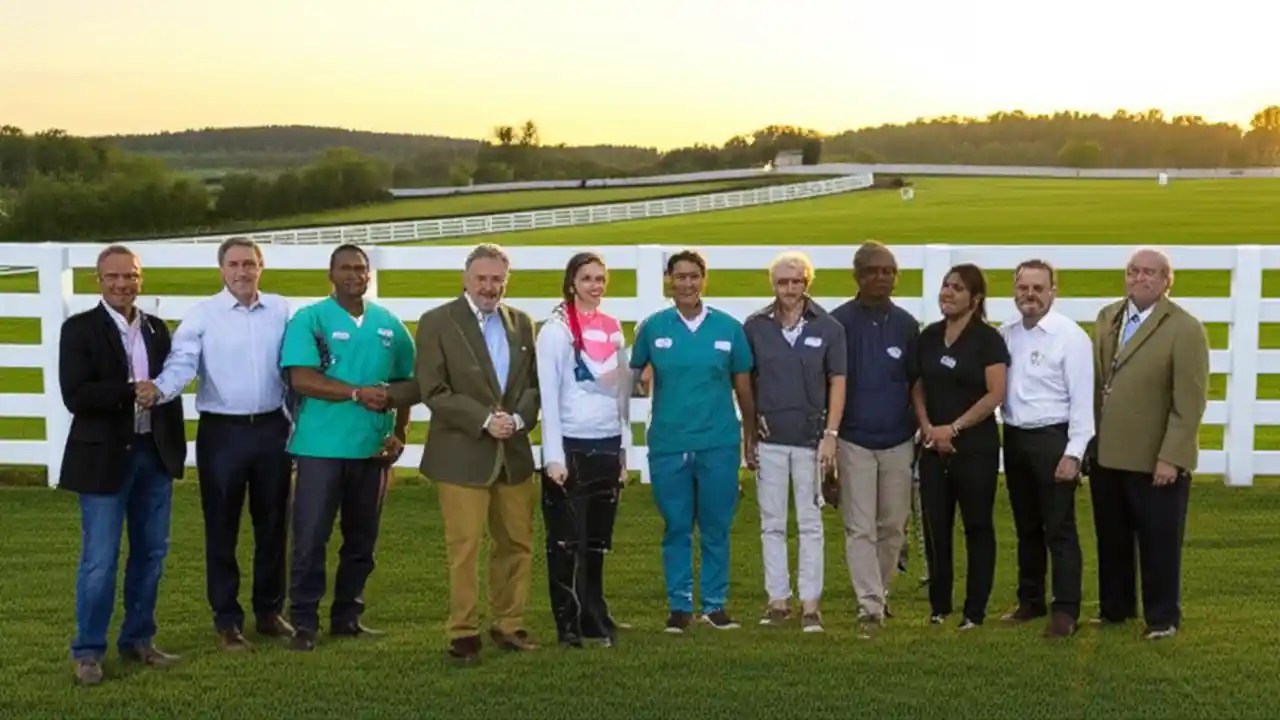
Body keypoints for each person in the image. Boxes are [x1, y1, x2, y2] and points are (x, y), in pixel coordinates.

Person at [150, 237, 295, 650]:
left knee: (272, 525)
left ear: (261, 267)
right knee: (222, 528)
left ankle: (269, 612)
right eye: (233, 264)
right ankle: (227, 619)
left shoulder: (284, 311)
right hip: (222, 434)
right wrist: (159, 391)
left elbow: (304, 360)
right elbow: (182, 363)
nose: (241, 272)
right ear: (222, 270)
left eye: (249, 263)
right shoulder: (203, 315)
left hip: (273, 429)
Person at [401, 242, 541, 665]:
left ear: (506, 280)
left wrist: (517, 420)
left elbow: (534, 385)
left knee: (517, 542)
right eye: (482, 278)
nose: (489, 286)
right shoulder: (436, 322)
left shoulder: (522, 324)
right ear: (466, 278)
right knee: (464, 547)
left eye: (497, 279)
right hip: (462, 452)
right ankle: (462, 632)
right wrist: (483, 419)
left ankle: (509, 624)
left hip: (513, 452)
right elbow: (434, 388)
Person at [58, 244, 187, 686]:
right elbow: (75, 395)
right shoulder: (79, 330)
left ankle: (138, 640)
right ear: (99, 280)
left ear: (140, 278)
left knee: (151, 553)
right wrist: (132, 390)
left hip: (153, 453)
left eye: (129, 276)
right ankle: (89, 651)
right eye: (112, 277)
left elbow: (169, 387)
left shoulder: (157, 329)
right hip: (103, 458)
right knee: (100, 559)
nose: (121, 284)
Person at [279, 243, 416, 651]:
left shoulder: (388, 323)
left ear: (369, 274)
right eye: (345, 268)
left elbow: (408, 383)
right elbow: (301, 378)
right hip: (320, 446)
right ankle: (304, 621)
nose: (353, 274)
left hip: (372, 449)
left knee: (361, 539)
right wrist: (357, 393)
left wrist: (401, 433)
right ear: (331, 274)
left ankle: (347, 616)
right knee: (310, 538)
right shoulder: (311, 319)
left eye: (360, 268)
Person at [630, 249, 756, 634]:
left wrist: (749, 434)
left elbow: (744, 388)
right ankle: (679, 605)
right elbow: (636, 380)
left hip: (718, 440)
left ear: (704, 280)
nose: (686, 283)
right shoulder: (653, 328)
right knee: (677, 525)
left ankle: (715, 605)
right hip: (669, 440)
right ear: (669, 280)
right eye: (679, 276)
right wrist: (642, 380)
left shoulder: (728, 329)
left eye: (693, 276)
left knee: (716, 525)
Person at [1087, 247, 1208, 640]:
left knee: (1159, 539)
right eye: (1133, 271)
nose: (1140, 278)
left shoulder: (1185, 328)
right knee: (1113, 537)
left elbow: (1189, 402)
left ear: (1167, 281)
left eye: (1151, 273)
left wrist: (1171, 457)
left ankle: (1162, 618)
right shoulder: (1108, 317)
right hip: (1109, 453)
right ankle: (1115, 609)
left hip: (1155, 457)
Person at [743, 251, 846, 633]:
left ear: (808, 283)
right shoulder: (754, 327)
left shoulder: (830, 328)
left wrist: (831, 436)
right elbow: (746, 384)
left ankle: (811, 605)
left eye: (797, 281)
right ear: (773, 284)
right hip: (769, 440)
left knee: (810, 523)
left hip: (811, 440)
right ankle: (777, 601)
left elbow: (838, 381)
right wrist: (749, 432)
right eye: (783, 282)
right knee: (771, 522)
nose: (790, 288)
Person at [535, 251, 630, 647]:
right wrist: (553, 457)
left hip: (606, 443)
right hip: (572, 446)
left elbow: (622, 390)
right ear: (572, 282)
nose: (595, 285)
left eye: (600, 278)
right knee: (566, 542)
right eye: (587, 278)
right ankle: (569, 622)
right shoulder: (555, 331)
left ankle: (595, 612)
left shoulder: (613, 327)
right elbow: (549, 395)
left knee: (596, 541)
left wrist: (624, 449)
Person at [997, 259, 1094, 638]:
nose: (1030, 295)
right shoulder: (1007, 335)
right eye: (1024, 288)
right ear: (1015, 291)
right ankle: (1030, 600)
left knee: (1060, 528)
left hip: (1054, 438)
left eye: (1039, 288)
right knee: (1027, 526)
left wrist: (1074, 453)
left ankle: (1066, 610)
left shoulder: (1070, 337)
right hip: (1017, 437)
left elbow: (1083, 401)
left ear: (1053, 291)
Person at [911, 263, 1009, 630]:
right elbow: (918, 385)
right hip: (932, 445)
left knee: (977, 526)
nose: (947, 293)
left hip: (975, 446)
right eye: (945, 286)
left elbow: (995, 393)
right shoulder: (929, 336)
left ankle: (975, 610)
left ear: (976, 298)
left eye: (957, 288)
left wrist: (953, 428)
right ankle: (939, 606)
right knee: (937, 525)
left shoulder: (988, 340)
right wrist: (928, 428)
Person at [829, 240, 921, 630]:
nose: (882, 278)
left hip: (899, 439)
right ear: (857, 276)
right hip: (853, 440)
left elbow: (915, 382)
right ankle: (869, 604)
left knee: (893, 527)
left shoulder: (906, 324)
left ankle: (879, 593)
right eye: (873, 271)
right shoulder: (838, 324)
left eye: (889, 271)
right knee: (860, 526)